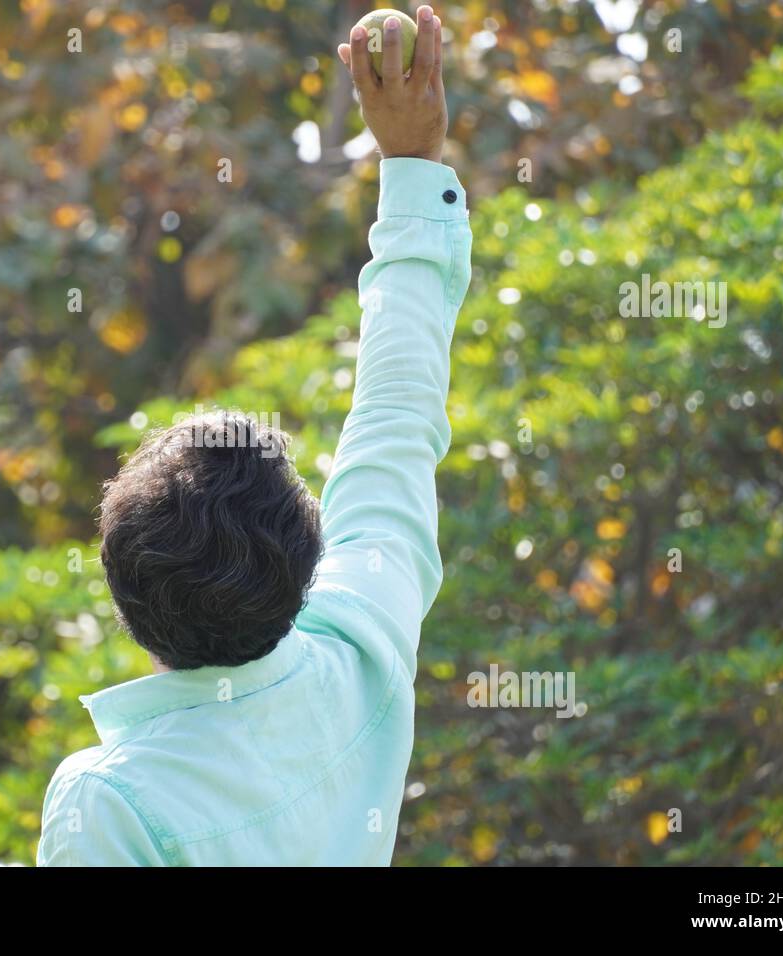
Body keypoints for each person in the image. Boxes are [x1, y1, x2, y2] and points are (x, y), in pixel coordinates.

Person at [38, 5, 472, 865]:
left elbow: (398, 417)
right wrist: (413, 160)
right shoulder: (362, 647)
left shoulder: (111, 801)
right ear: (307, 559)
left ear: (124, 598)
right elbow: (397, 412)